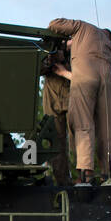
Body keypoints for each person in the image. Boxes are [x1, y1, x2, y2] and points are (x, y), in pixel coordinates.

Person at [46, 18, 111, 183]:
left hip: (82, 83)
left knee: (82, 124)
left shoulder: (82, 27)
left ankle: (86, 174)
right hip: (106, 82)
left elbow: (54, 24)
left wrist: (69, 43)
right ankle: (108, 174)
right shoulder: (109, 47)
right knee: (106, 128)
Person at [40, 49, 73, 186]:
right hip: (53, 99)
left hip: (74, 94)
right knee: (57, 142)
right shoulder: (51, 44)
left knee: (79, 138)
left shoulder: (79, 45)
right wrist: (51, 58)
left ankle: (84, 178)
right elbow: (40, 68)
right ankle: (63, 182)